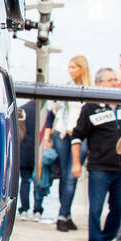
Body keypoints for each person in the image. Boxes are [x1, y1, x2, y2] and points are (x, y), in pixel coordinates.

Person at [71, 67, 121, 241]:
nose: (115, 82)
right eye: (110, 80)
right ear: (99, 84)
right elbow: (77, 136)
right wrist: (76, 162)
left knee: (119, 207)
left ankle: (107, 238)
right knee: (96, 208)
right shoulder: (90, 107)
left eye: (115, 79)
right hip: (99, 167)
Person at [43, 54, 91, 231]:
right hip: (62, 133)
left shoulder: (89, 89)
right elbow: (52, 113)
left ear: (82, 69)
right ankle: (64, 214)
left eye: (74, 67)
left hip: (80, 135)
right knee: (64, 175)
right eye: (69, 67)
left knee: (72, 174)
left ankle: (63, 215)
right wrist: (47, 136)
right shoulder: (64, 88)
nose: (71, 71)